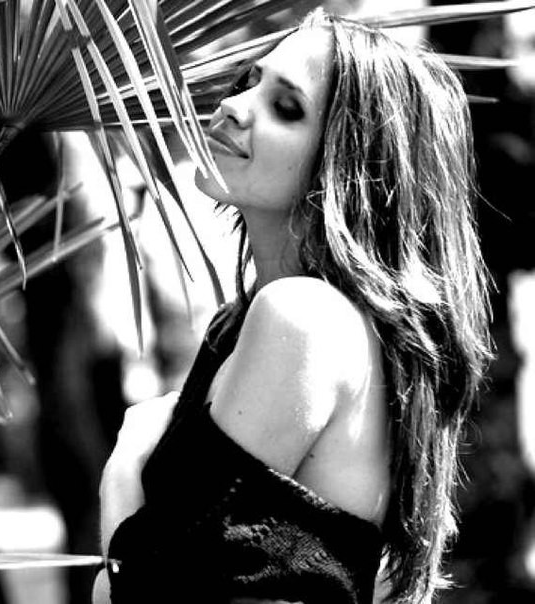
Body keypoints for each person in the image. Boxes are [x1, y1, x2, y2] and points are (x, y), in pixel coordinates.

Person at [93, 9, 492, 604]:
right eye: (248, 81)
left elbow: (143, 590)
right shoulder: (249, 324)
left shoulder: (303, 316)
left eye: (286, 107)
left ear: (348, 168)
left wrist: (125, 468)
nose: (233, 106)